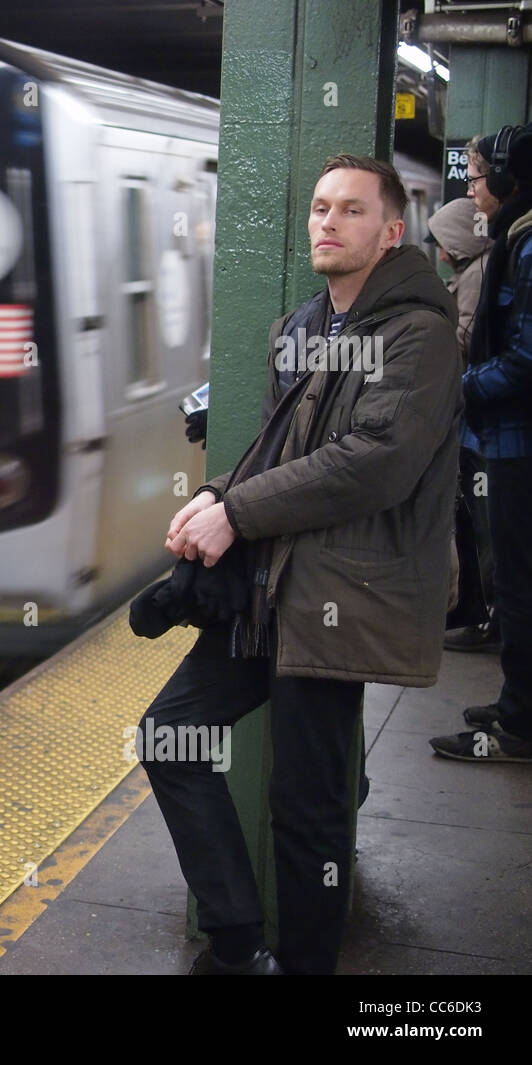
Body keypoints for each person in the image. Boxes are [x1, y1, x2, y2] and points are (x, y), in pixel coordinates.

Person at [137, 154, 461, 975]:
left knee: (306, 808)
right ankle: (240, 944)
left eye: (351, 211)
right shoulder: (309, 323)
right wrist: (217, 493)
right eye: (320, 207)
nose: (327, 222)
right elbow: (283, 445)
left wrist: (237, 511)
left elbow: (375, 458)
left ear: (392, 232)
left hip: (340, 593)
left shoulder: (417, 336)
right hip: (272, 586)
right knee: (169, 734)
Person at [430, 125, 532, 764]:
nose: (471, 186)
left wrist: (455, 388)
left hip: (519, 445)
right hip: (509, 439)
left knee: (519, 584)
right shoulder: (514, 239)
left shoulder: (527, 248)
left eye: (477, 175)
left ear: (508, 179)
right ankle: (518, 698)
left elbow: (525, 360)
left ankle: (518, 726)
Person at [428, 191, 498, 652]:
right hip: (476, 423)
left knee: (479, 523)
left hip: (476, 425)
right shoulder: (474, 273)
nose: (435, 249)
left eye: (439, 239)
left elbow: (465, 341)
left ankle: (485, 615)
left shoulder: (473, 279)